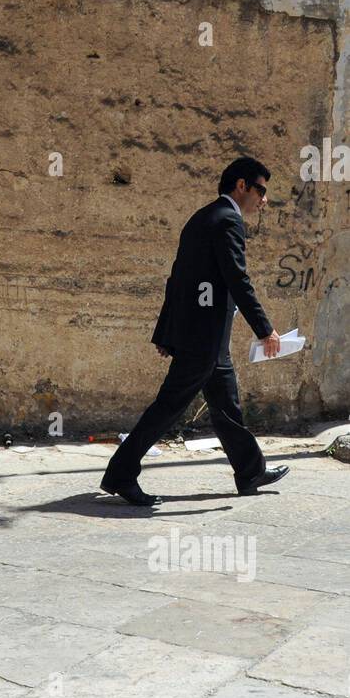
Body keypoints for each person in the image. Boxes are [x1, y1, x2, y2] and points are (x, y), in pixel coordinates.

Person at [100, 156, 288, 506]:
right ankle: (121, 473)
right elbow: (238, 280)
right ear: (241, 185)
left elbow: (177, 279)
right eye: (261, 190)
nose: (264, 200)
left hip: (206, 339)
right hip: (204, 339)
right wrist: (265, 329)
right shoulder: (229, 221)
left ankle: (250, 471)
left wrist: (166, 332)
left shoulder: (201, 218)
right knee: (168, 407)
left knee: (227, 406)